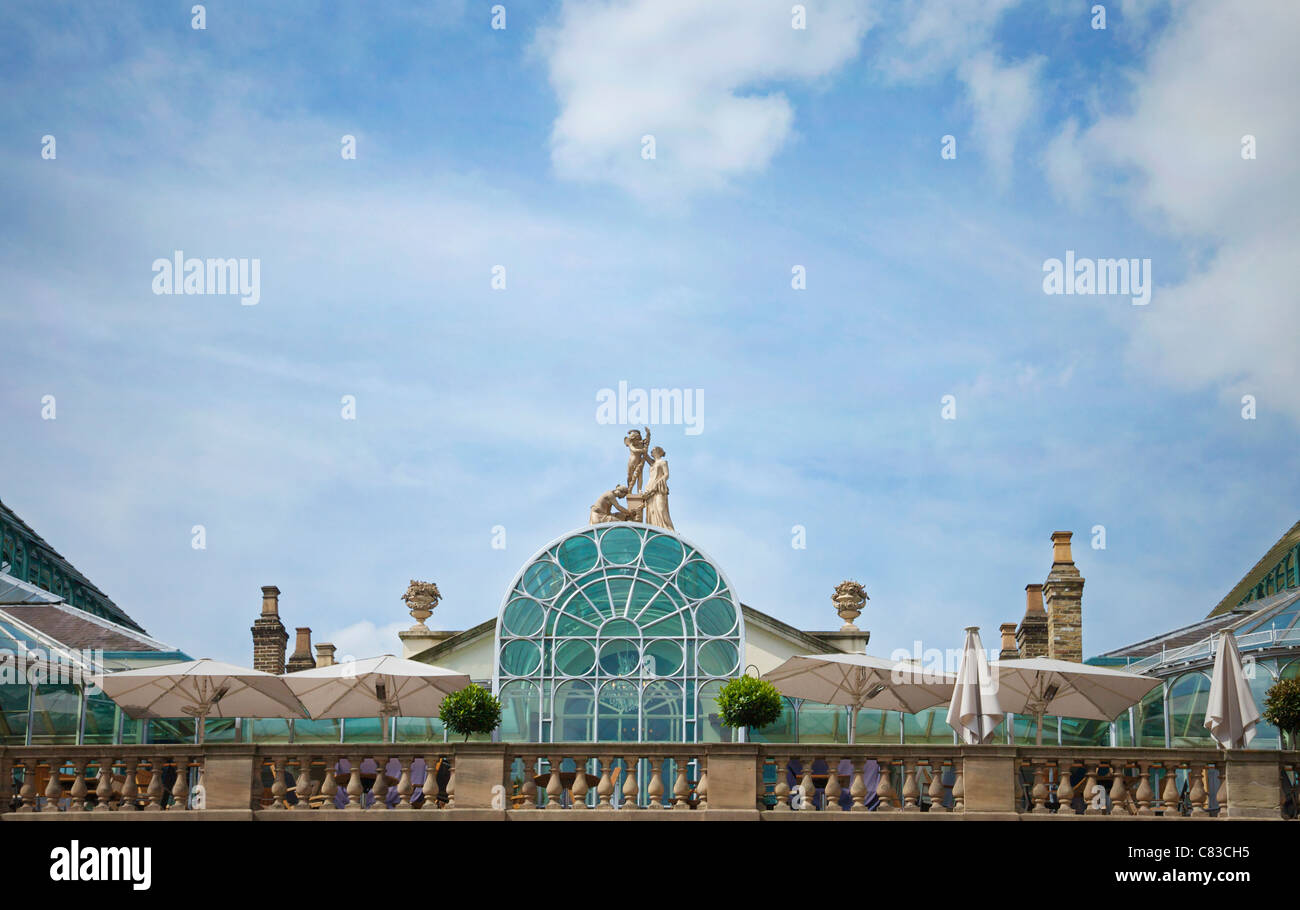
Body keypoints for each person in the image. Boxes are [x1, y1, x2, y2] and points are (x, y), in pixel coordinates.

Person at [642, 447, 673, 529]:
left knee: (661, 509)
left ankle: (668, 529)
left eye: (653, 450)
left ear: (658, 451)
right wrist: (644, 443)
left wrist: (658, 482)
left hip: (659, 488)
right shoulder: (652, 463)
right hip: (649, 488)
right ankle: (654, 528)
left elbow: (666, 474)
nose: (651, 452)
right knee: (651, 510)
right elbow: (644, 455)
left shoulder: (663, 462)